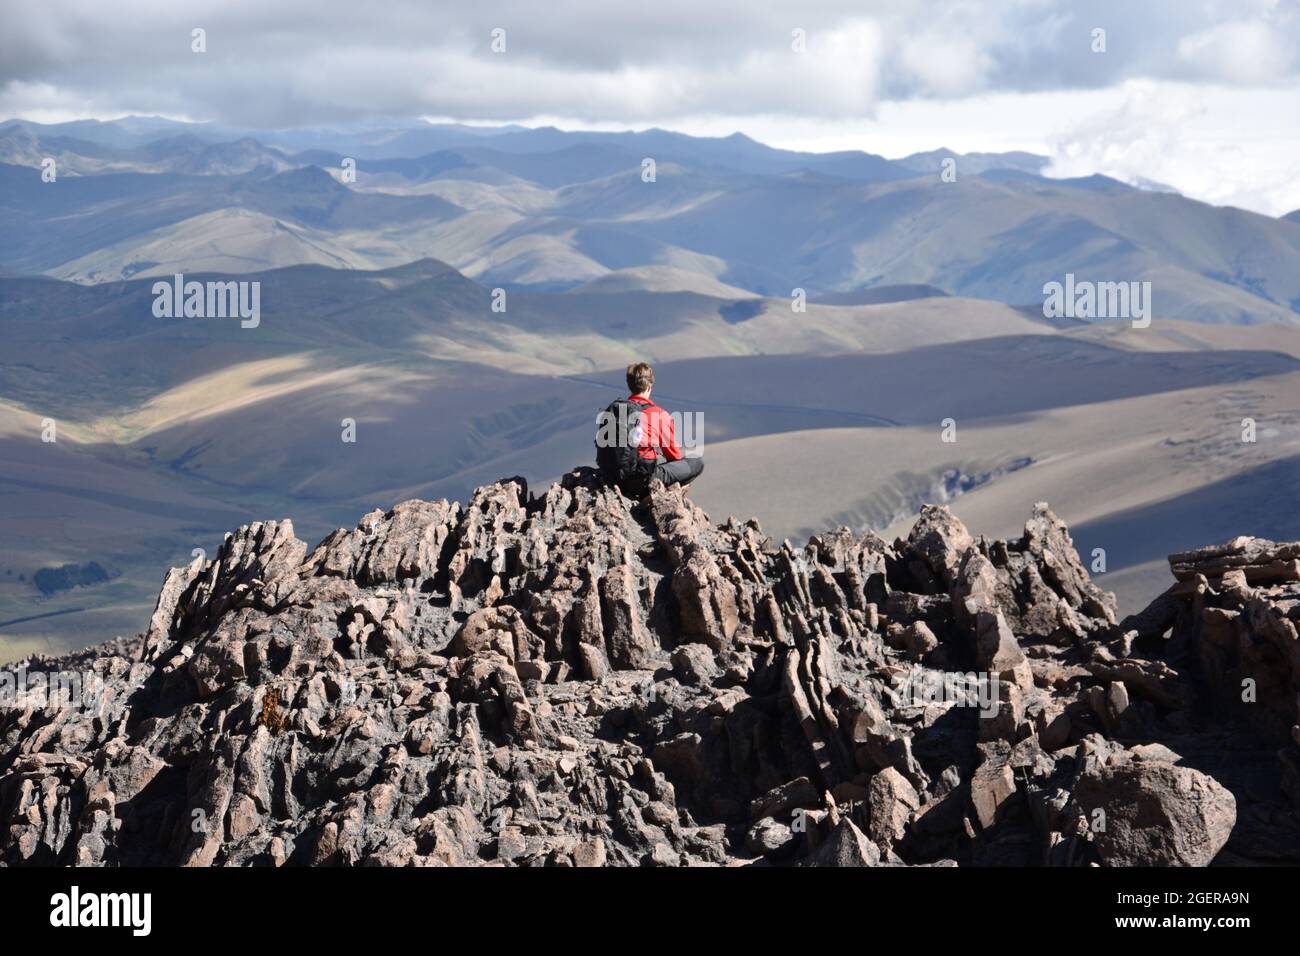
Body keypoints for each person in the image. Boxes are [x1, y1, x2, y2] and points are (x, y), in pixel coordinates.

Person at [625, 362, 704, 490]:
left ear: (629, 385)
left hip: (615, 477)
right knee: (696, 462)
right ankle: (667, 492)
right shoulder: (658, 415)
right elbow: (674, 456)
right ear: (649, 386)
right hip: (642, 480)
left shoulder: (615, 410)